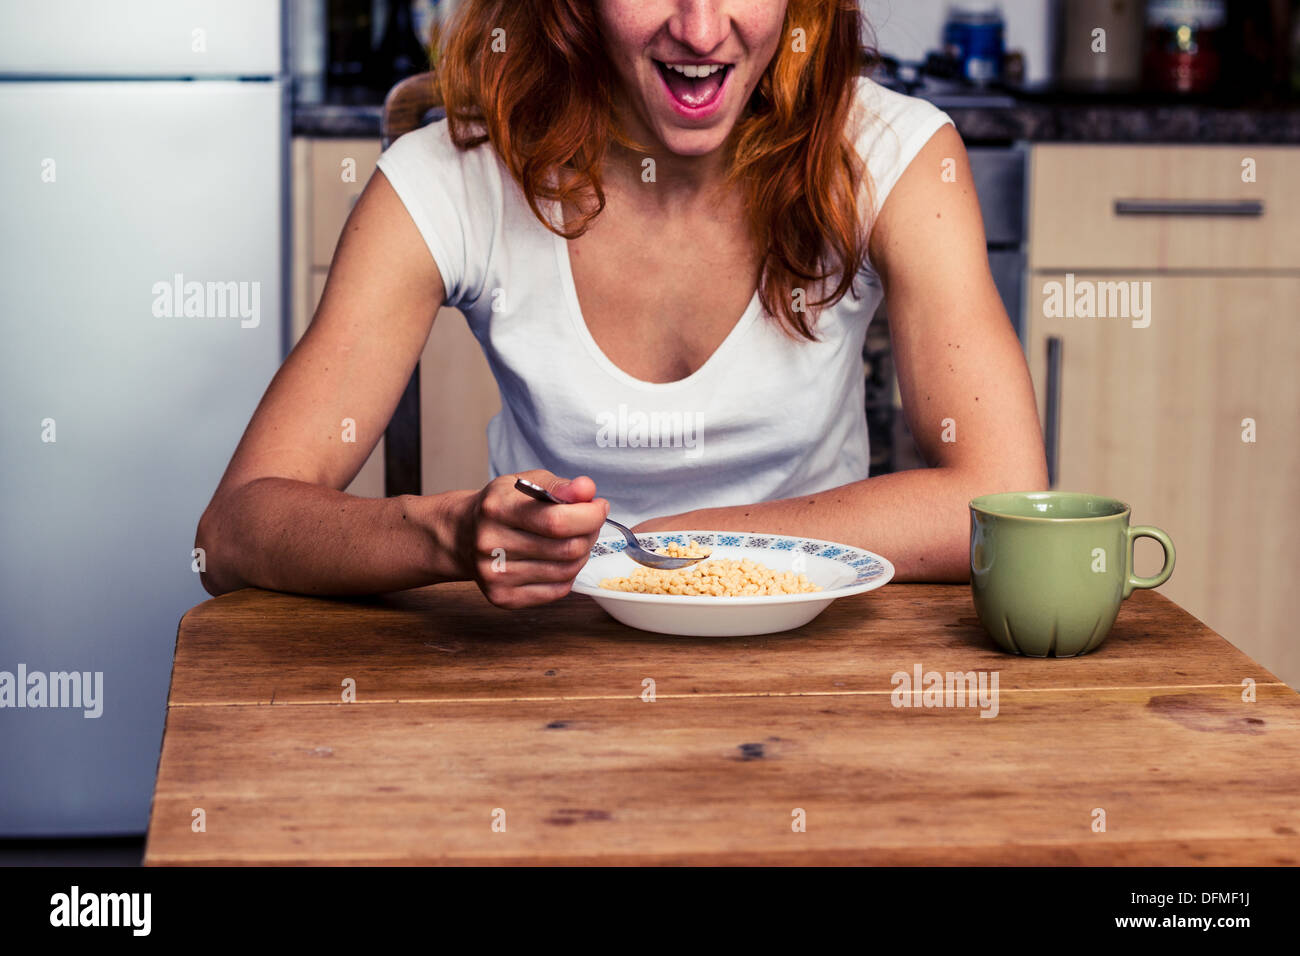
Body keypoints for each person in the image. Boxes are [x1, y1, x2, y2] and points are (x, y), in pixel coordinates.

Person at [196, 0, 1047, 607]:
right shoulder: (451, 178)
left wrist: (675, 548)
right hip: (547, 661)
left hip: (815, 656)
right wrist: (445, 537)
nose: (703, 29)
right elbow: (233, 532)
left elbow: (1004, 493)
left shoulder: (894, 154)